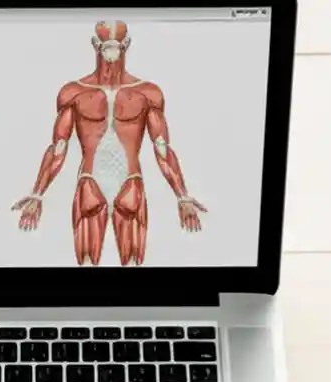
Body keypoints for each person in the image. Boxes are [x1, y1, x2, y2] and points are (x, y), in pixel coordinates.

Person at [13, 20, 206, 266]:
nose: (112, 50)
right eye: (107, 44)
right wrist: (37, 194)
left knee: (134, 266)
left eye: (116, 44)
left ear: (127, 45)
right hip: (90, 181)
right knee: (85, 265)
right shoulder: (74, 92)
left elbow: (162, 148)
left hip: (129, 181)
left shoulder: (147, 93)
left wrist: (183, 197)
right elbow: (58, 147)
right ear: (95, 44)